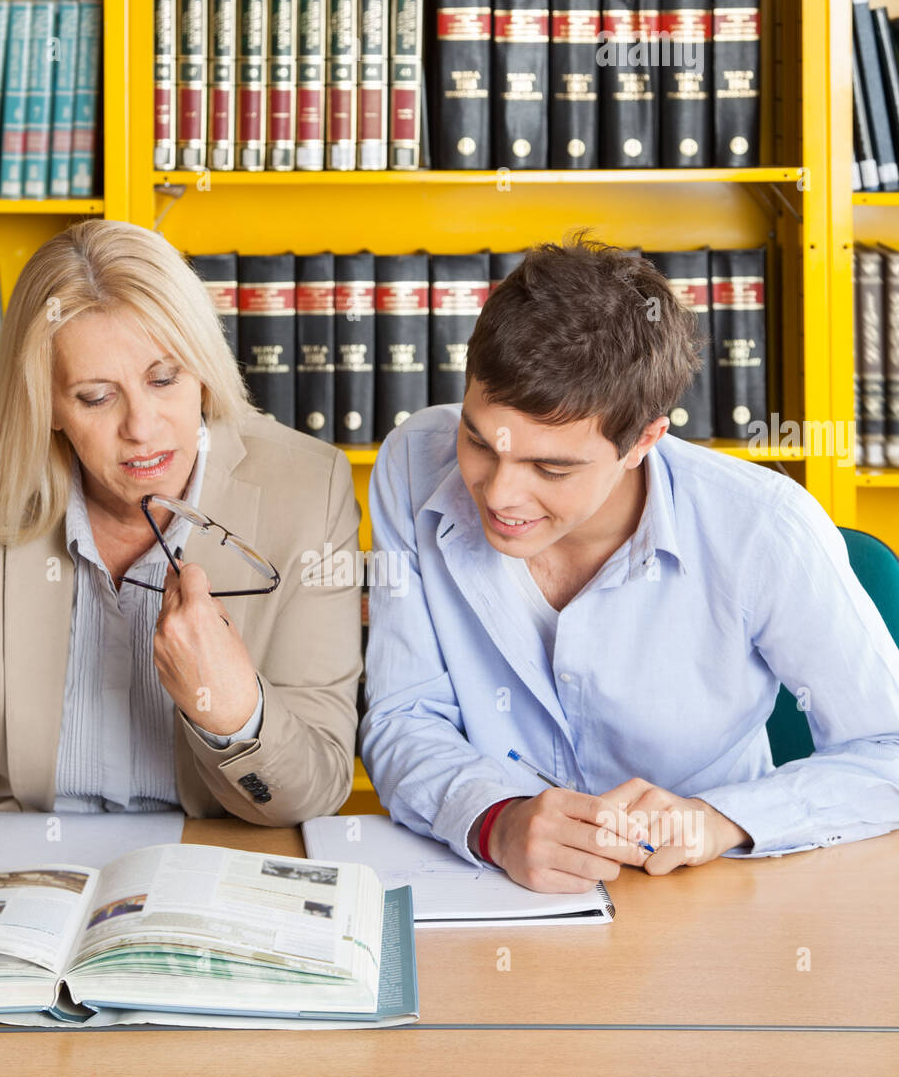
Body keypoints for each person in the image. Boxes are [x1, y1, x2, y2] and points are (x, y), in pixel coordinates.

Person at [0, 220, 361, 879]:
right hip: (3, 874)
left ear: (205, 372)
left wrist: (233, 710)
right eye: (96, 397)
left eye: (165, 380)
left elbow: (315, 787)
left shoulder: (306, 488)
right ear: (46, 404)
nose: (142, 427)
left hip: (204, 872)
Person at [361, 232, 899, 893]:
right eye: (479, 442)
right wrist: (495, 818)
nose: (498, 495)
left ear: (642, 440)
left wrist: (717, 819)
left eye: (550, 467)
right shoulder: (412, 463)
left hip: (713, 899)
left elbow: (888, 750)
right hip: (493, 895)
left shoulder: (763, 527)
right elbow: (403, 715)